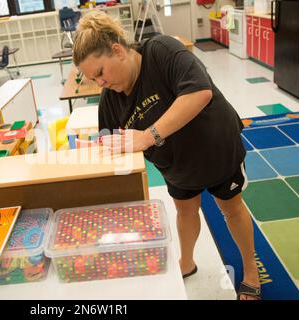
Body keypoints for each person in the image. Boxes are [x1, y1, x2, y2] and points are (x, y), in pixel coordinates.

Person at [72, 11, 261, 300]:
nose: (99, 83)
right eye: (92, 78)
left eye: (100, 72)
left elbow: (199, 93)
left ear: (117, 50)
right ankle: (187, 261)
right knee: (185, 210)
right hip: (177, 164)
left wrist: (147, 137)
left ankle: (251, 271)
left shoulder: (161, 51)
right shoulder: (110, 100)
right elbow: (108, 142)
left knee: (231, 208)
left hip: (216, 149)